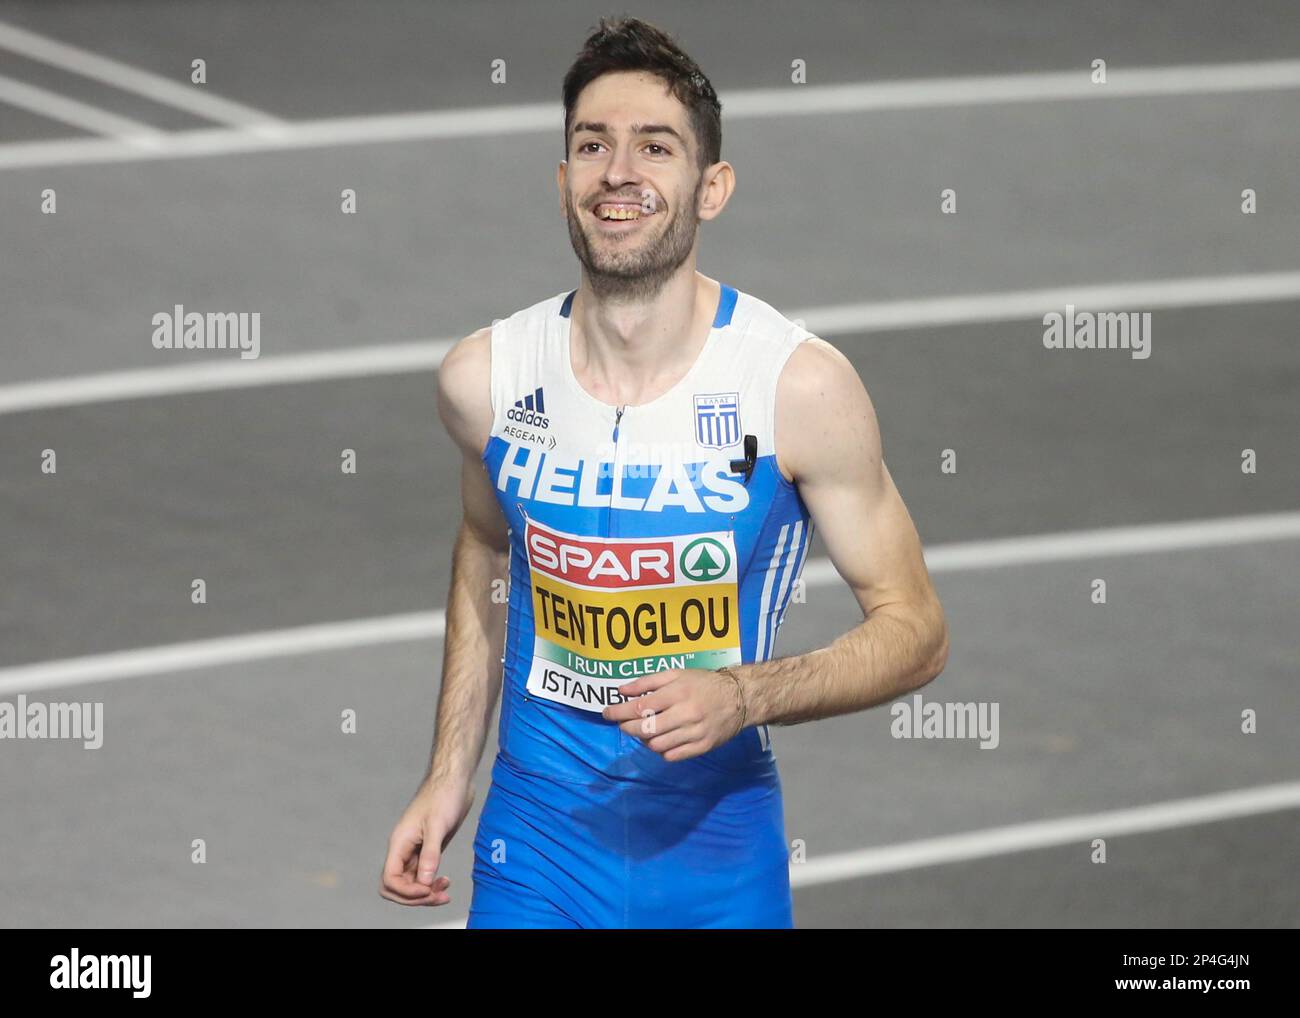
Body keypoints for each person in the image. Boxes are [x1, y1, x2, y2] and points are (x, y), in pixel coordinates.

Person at [380, 16, 948, 928]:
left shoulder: (796, 388)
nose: (619, 172)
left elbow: (917, 629)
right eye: (592, 145)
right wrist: (449, 774)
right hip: (535, 846)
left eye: (656, 147)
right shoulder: (485, 379)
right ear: (563, 181)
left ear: (711, 187)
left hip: (717, 855)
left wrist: (743, 695)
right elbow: (487, 549)